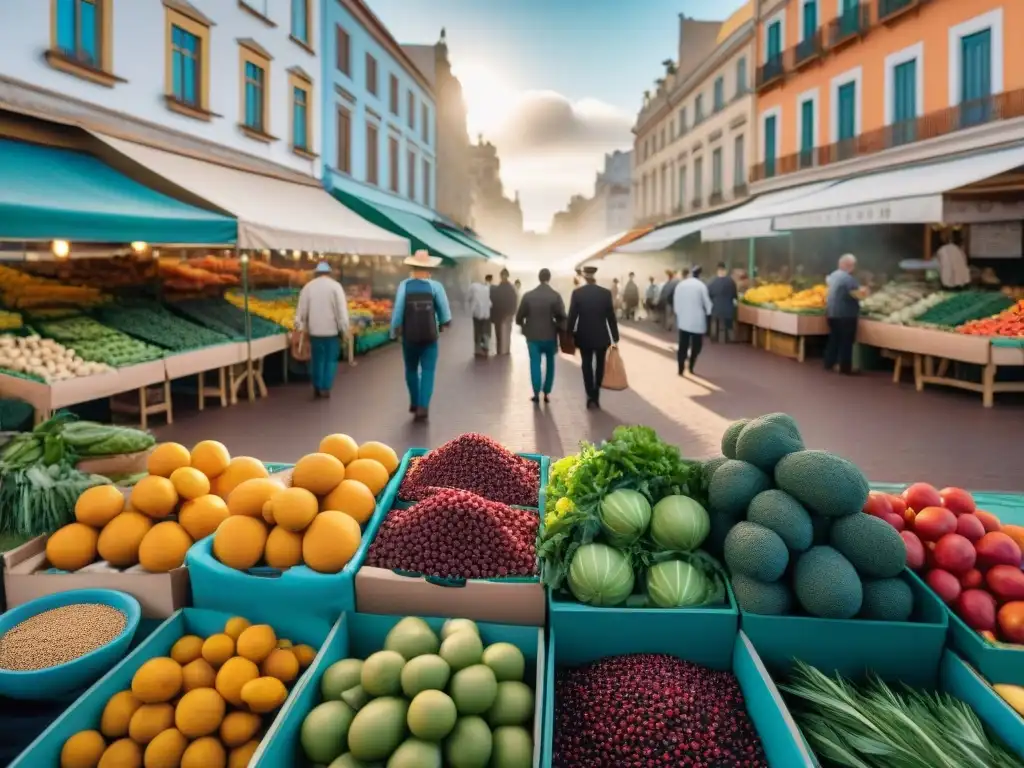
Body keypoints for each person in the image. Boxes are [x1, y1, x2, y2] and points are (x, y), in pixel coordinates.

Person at [390, 250, 452, 421]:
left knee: (410, 369)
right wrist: (443, 324)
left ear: (412, 267)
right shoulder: (435, 286)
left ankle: (414, 402)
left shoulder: (404, 285)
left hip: (409, 337)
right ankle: (423, 406)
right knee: (428, 371)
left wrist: (394, 330)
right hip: (430, 337)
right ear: (429, 268)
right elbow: (446, 314)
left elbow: (397, 312)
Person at [296, 260, 349, 399]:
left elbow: (301, 310)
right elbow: (341, 310)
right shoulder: (335, 287)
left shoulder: (308, 287)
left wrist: (300, 327)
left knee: (317, 360)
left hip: (315, 331)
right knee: (330, 360)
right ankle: (326, 387)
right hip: (331, 331)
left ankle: (317, 386)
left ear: (316, 273)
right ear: (329, 273)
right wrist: (344, 328)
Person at [568, 266, 619, 409]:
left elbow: (572, 316)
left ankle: (589, 393)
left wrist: (569, 333)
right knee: (600, 365)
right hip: (601, 336)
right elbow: (611, 317)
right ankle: (596, 393)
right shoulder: (605, 293)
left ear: (584, 277)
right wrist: (614, 336)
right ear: (595, 277)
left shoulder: (577, 293)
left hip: (584, 335)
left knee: (586, 364)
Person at [515, 268, 567, 403]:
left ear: (539, 278)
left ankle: (536, 392)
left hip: (532, 336)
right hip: (550, 336)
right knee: (550, 363)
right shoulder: (555, 296)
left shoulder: (528, 295)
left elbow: (519, 317)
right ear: (549, 278)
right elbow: (562, 316)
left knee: (535, 363)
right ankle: (547, 392)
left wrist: (524, 326)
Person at [824, 254, 866, 376]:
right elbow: (857, 295)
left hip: (832, 313)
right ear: (850, 266)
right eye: (853, 265)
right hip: (845, 315)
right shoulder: (848, 279)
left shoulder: (833, 275)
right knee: (846, 342)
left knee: (834, 339)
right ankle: (844, 367)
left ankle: (829, 363)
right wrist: (865, 292)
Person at [673, 265, 712, 376]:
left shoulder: (681, 285)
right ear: (700, 274)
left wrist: (678, 313)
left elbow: (676, 302)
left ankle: (680, 368)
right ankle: (691, 366)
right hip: (697, 321)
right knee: (697, 345)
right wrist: (709, 313)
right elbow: (707, 303)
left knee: (682, 345)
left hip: (683, 320)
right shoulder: (701, 286)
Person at [707, 262, 738, 343]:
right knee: (729, 324)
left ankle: (714, 338)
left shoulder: (712, 282)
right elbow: (735, 295)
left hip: (716, 306)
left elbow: (709, 294)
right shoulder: (731, 282)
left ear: (717, 270)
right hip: (728, 306)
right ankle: (730, 339)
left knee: (714, 322)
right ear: (725, 270)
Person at [490, 268, 517, 356]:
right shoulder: (510, 289)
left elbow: (514, 302)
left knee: (504, 334)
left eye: (504, 275)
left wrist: (511, 313)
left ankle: (504, 351)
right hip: (502, 315)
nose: (503, 277)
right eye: (502, 275)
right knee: (501, 334)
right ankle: (502, 351)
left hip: (503, 315)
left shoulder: (500, 288)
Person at [468, 274, 493, 357]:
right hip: (486, 313)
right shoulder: (486, 288)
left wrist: (470, 310)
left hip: (477, 313)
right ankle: (486, 346)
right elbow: (490, 302)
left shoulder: (472, 287)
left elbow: (470, 298)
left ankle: (478, 349)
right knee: (485, 330)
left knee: (477, 330)